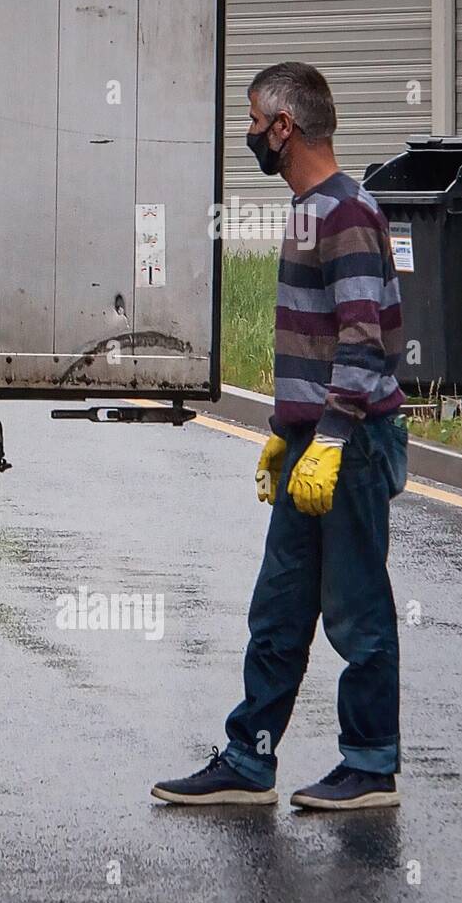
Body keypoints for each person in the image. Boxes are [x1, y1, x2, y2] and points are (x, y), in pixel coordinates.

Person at [154, 62, 407, 811]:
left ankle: (370, 768)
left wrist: (328, 436)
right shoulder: (311, 210)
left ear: (283, 127)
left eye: (253, 119)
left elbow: (363, 340)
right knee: (279, 611)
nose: (249, 133)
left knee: (357, 612)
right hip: (316, 440)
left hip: (351, 442)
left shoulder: (344, 212)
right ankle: (249, 759)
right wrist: (286, 428)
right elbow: (327, 341)